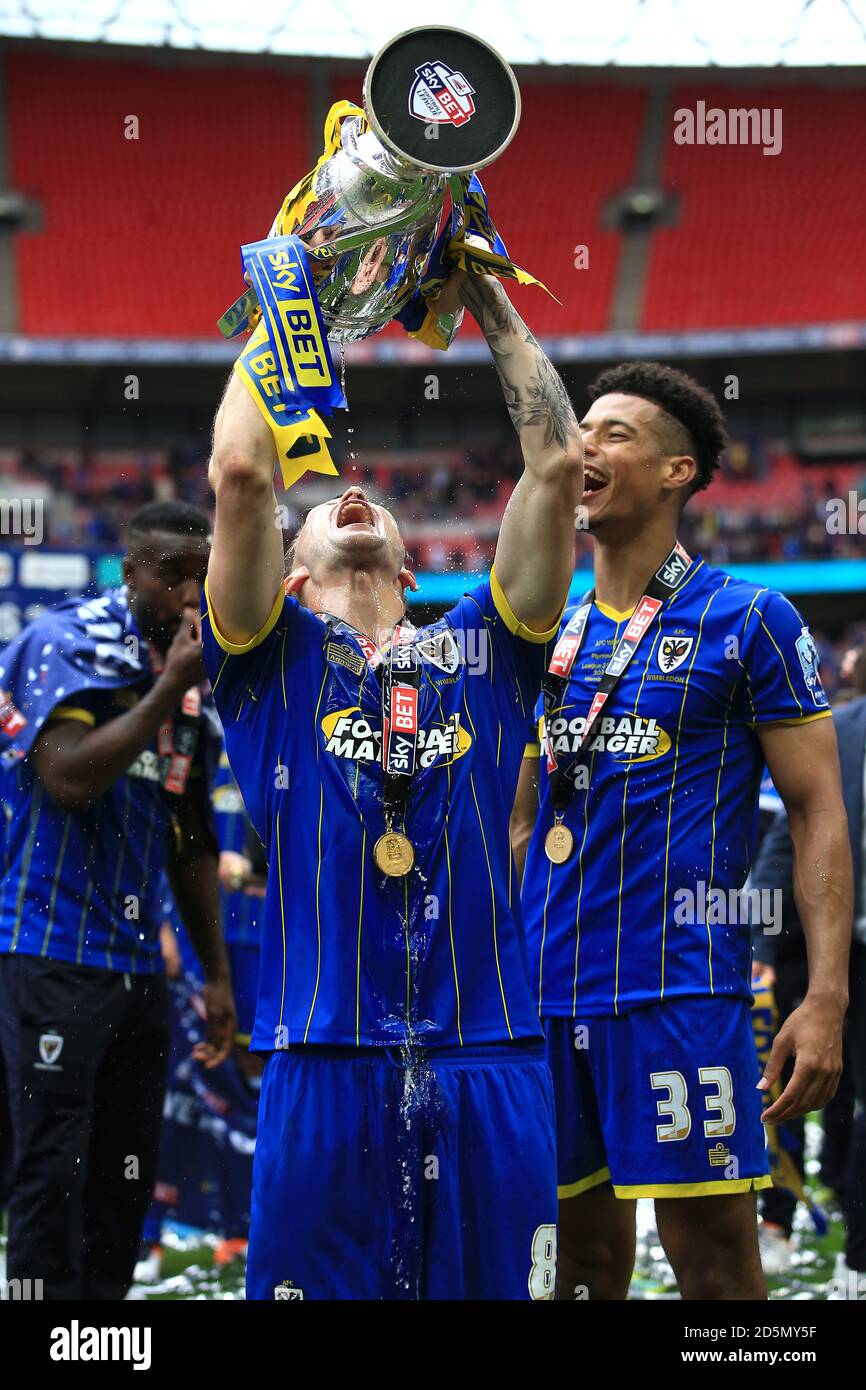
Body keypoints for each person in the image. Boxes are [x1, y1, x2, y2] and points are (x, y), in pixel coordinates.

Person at [201, 268, 583, 1299]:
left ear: (413, 572)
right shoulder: (265, 660)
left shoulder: (487, 648)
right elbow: (239, 472)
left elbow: (556, 465)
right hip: (323, 1059)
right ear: (288, 575)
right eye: (320, 508)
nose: (352, 495)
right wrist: (295, 293)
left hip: (486, 1054)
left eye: (374, 504)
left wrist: (486, 294)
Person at [511, 361, 851, 1300]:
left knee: (714, 1264)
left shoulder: (752, 620)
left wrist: (824, 997)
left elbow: (818, 810)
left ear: (678, 471)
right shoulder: (551, 637)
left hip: (680, 992)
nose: (583, 445)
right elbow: (522, 825)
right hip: (546, 996)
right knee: (573, 1265)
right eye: (581, 428)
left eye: (613, 433)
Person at [0, 500, 236, 1300]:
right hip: (49, 952)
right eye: (173, 576)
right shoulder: (63, 641)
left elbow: (191, 835)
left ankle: (100, 1334)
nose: (190, 595)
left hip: (137, 968)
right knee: (51, 1169)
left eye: (202, 577)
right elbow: (67, 779)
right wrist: (168, 689)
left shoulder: (186, 678)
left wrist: (215, 976)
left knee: (125, 1177)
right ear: (131, 570)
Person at [750, 691, 866, 1292]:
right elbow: (786, 838)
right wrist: (760, 945)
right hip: (814, 945)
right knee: (796, 1079)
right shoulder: (837, 729)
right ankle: (780, 1217)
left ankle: (849, 1227)